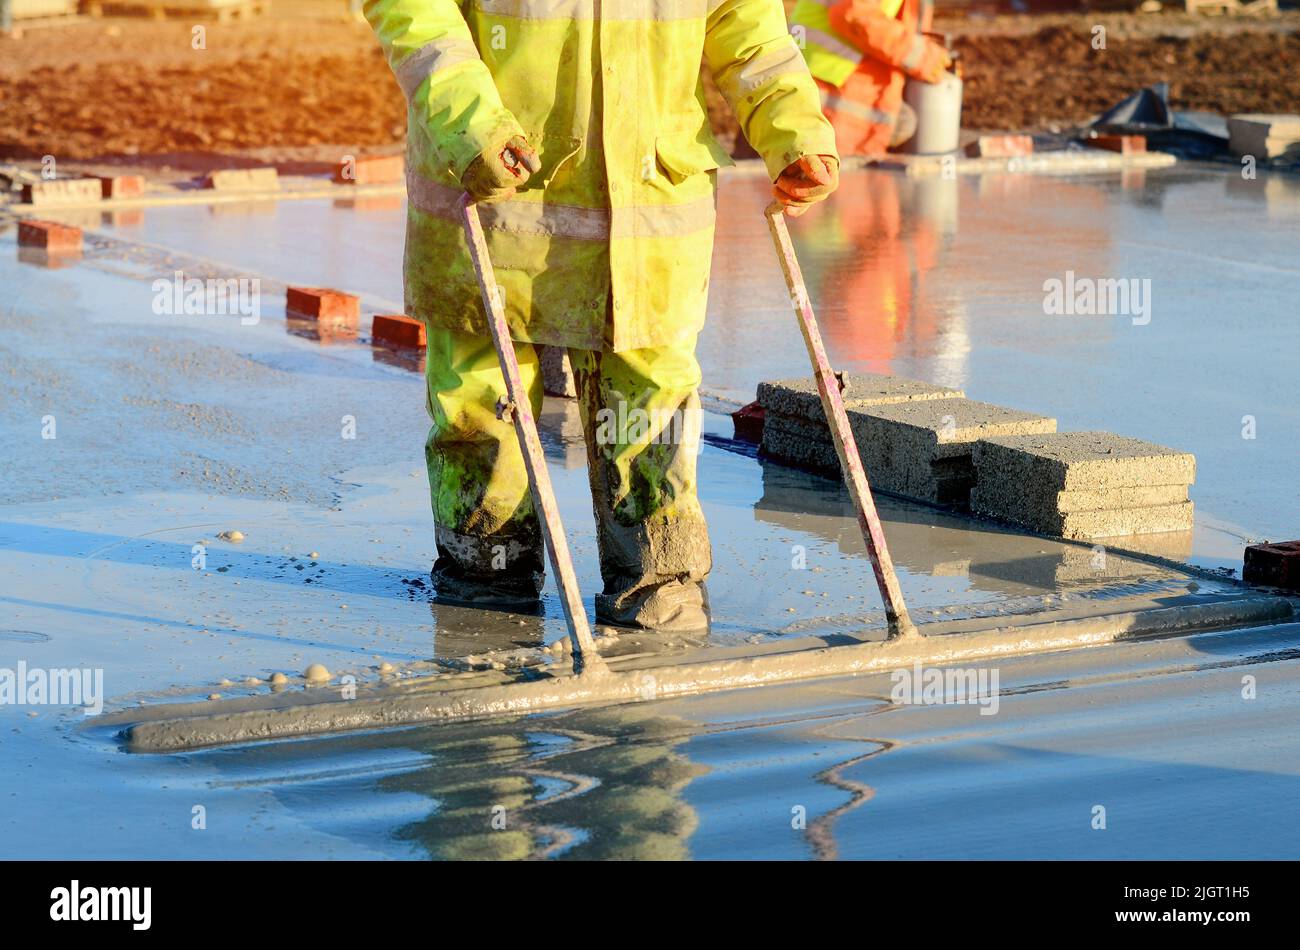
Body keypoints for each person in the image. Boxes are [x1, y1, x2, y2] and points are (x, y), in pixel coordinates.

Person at [362, 1, 839, 631]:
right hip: (493, 190)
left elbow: (746, 26)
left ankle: (659, 582)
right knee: (486, 404)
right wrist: (470, 118)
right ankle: (485, 583)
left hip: (650, 206)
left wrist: (794, 129)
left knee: (649, 400)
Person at [789, 0, 952, 155]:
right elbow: (853, 14)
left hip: (824, 90)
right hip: (825, 93)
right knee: (828, 175)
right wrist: (922, 56)